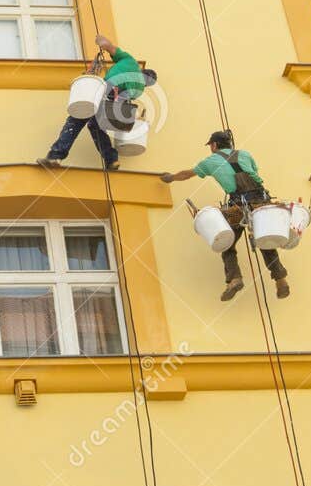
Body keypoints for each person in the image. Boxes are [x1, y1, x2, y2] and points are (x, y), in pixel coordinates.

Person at [160, 130, 291, 301]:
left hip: (238, 206)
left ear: (214, 145)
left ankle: (235, 279)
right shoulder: (245, 154)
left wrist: (171, 178)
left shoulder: (210, 161)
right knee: (265, 240)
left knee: (226, 243)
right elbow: (255, 174)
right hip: (261, 202)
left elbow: (187, 174)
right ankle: (281, 281)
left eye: (211, 146)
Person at [38, 34, 153, 171]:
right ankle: (111, 160)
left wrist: (100, 40)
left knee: (76, 120)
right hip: (114, 103)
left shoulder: (130, 61)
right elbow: (122, 99)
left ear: (141, 70)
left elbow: (107, 45)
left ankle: (55, 155)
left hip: (104, 91)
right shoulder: (140, 89)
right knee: (95, 125)